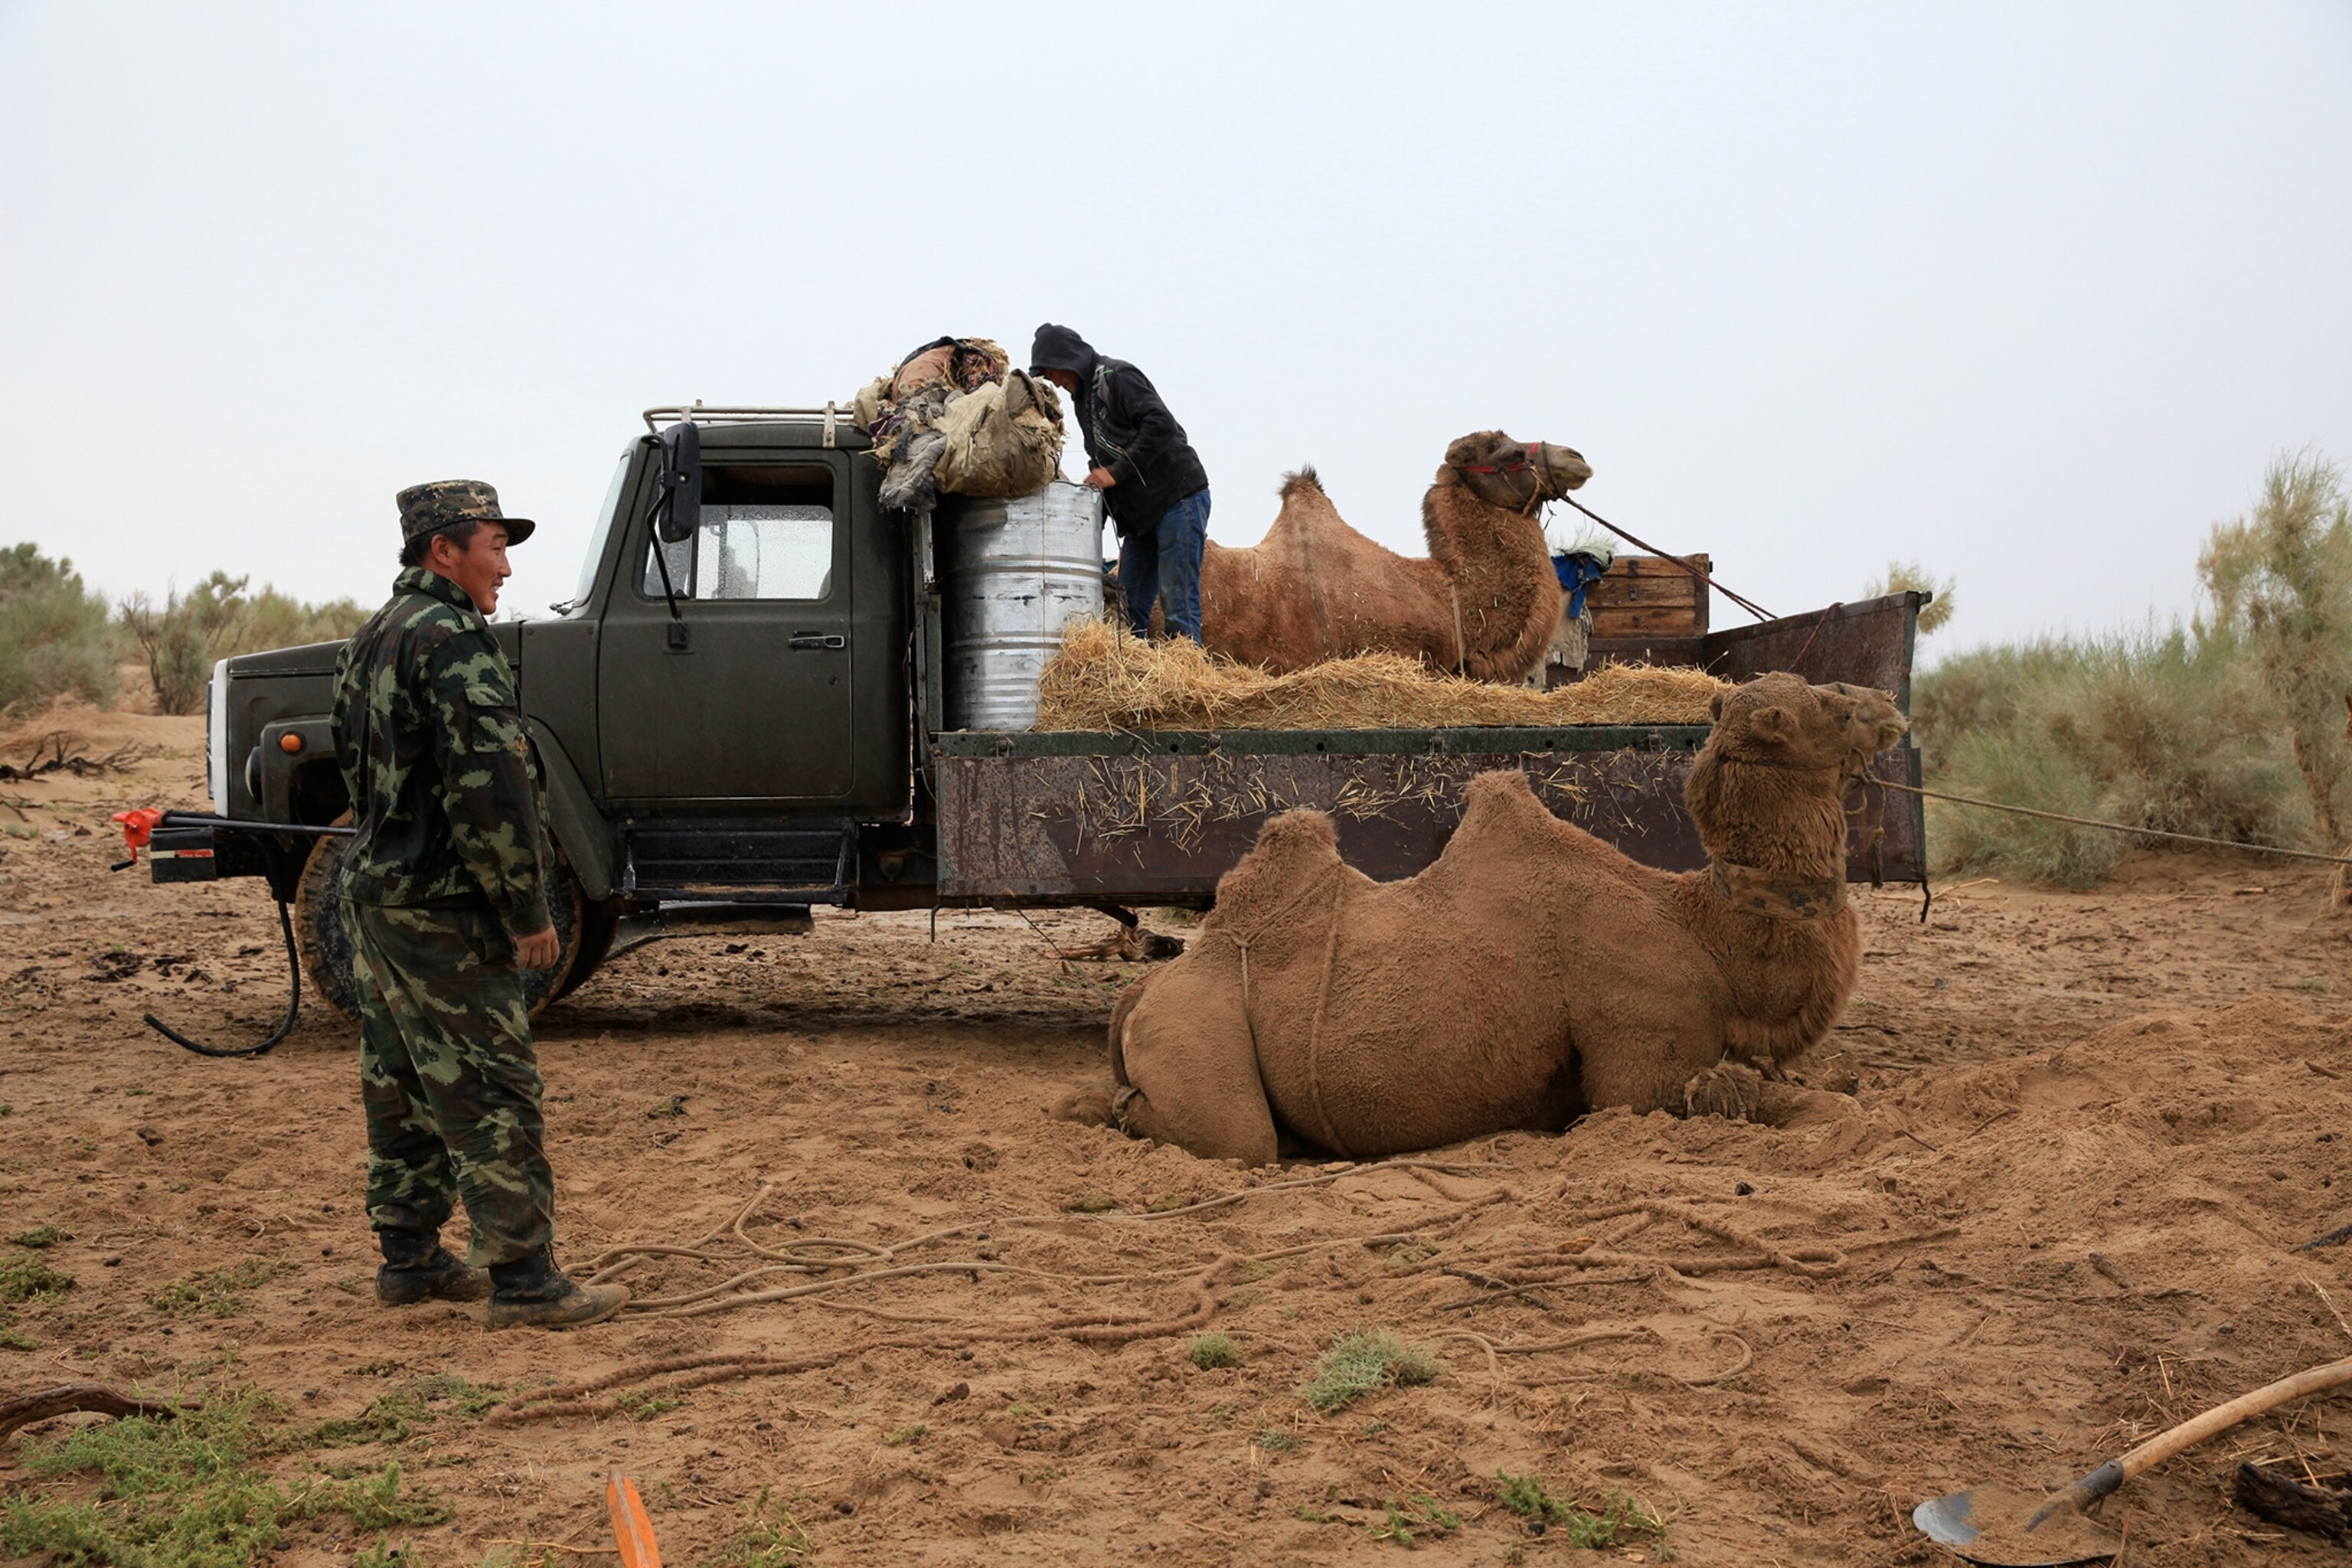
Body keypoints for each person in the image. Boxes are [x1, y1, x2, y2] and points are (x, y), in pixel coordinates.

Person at [331, 479, 626, 1330]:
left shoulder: (376, 633)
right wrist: (529, 909)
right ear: (442, 550)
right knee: (492, 1087)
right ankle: (527, 1282)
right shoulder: (453, 639)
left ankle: (411, 1258)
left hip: (380, 894)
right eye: (494, 545)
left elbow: (365, 773)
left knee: (401, 1079)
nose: (504, 565)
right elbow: (488, 789)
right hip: (444, 907)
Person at [1027, 325, 1211, 642]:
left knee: (1177, 604)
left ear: (1067, 359)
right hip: (1141, 518)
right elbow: (1100, 460)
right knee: (1126, 608)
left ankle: (1190, 682)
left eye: (1052, 371)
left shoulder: (1117, 376)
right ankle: (1136, 685)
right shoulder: (1081, 401)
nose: (1054, 381)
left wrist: (1115, 473)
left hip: (1176, 499)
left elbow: (1161, 424)